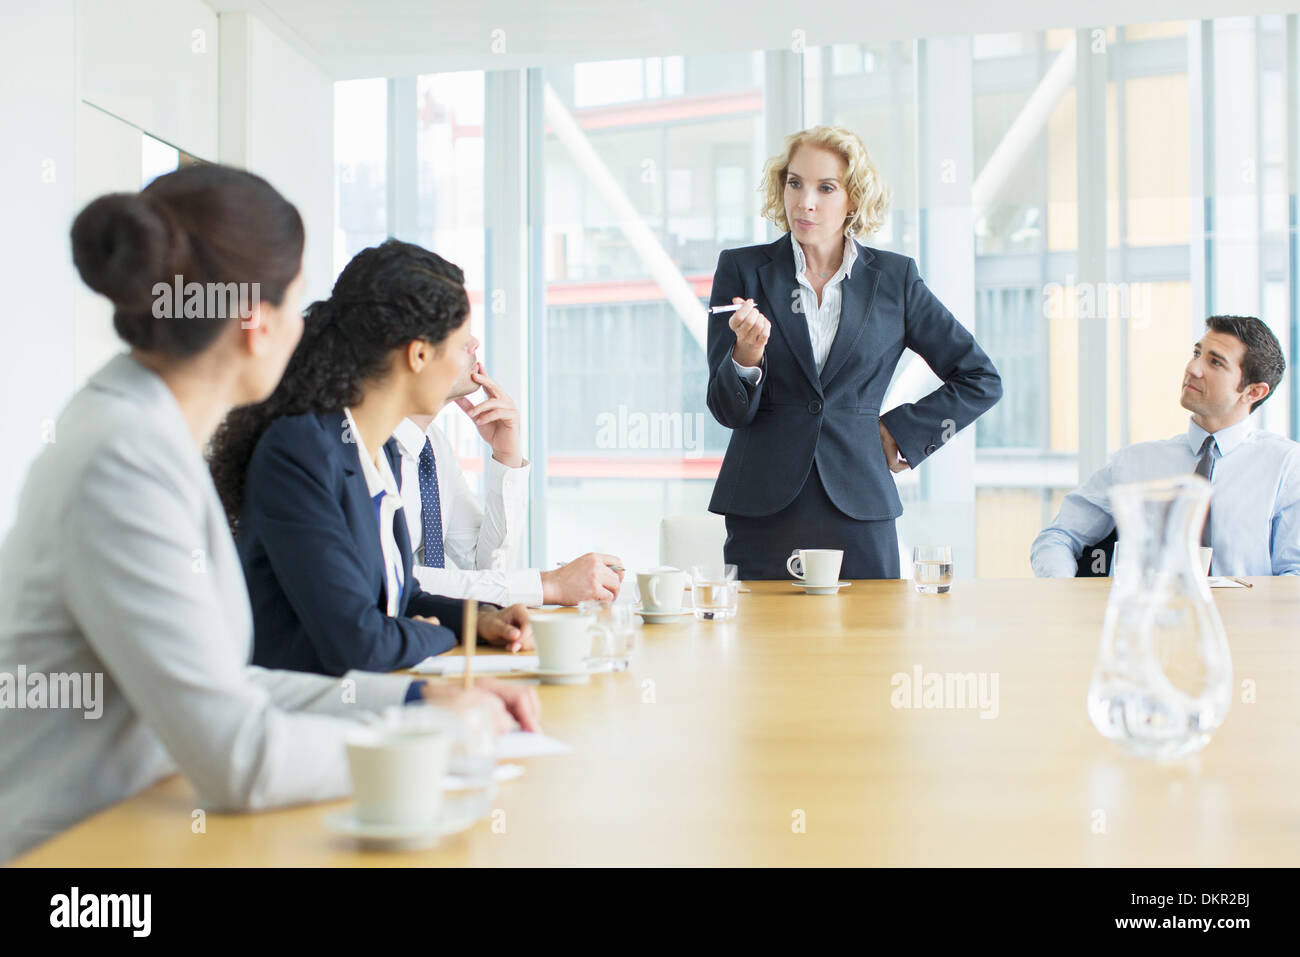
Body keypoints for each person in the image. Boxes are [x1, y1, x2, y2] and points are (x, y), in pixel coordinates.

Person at [0, 167, 537, 863]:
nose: (308, 327)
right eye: (294, 301)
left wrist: (416, 706)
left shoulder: (144, 433)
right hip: (79, 860)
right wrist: (441, 737)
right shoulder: (124, 460)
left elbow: (229, 687)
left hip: (139, 828)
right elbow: (241, 756)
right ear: (256, 322)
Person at [209, 240, 535, 676]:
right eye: (462, 343)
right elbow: (359, 642)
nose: (473, 349)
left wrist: (480, 620)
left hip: (365, 697)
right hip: (305, 707)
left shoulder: (380, 452)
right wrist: (436, 634)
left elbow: (401, 597)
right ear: (419, 355)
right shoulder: (300, 452)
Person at [706, 125, 1003, 579]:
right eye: (795, 183)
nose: (805, 202)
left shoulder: (895, 280)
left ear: (854, 200)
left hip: (861, 508)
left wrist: (901, 433)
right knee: (762, 630)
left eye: (826, 188)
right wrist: (746, 356)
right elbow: (728, 410)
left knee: (871, 629)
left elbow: (980, 378)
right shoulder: (743, 270)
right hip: (762, 510)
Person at [1032, 315, 1300, 577]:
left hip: (1246, 608)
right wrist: (1066, 594)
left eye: (1215, 362)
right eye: (1197, 353)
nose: (1193, 369)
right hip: (1143, 606)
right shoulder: (1133, 462)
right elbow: (1058, 537)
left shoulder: (1285, 465)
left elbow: (1295, 571)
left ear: (1253, 392)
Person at [388, 343, 625, 607]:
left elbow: (486, 568)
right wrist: (549, 585)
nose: (474, 342)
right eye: (460, 334)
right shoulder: (365, 449)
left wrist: (506, 455)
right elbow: (388, 579)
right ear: (418, 354)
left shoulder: (432, 445)